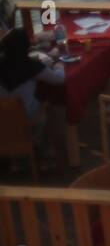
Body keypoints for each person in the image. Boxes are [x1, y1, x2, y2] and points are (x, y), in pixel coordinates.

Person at [0, 26, 65, 164]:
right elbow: (59, 79)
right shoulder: (30, 65)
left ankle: (14, 158)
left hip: (3, 115)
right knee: (50, 105)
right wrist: (58, 63)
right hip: (24, 114)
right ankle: (44, 151)